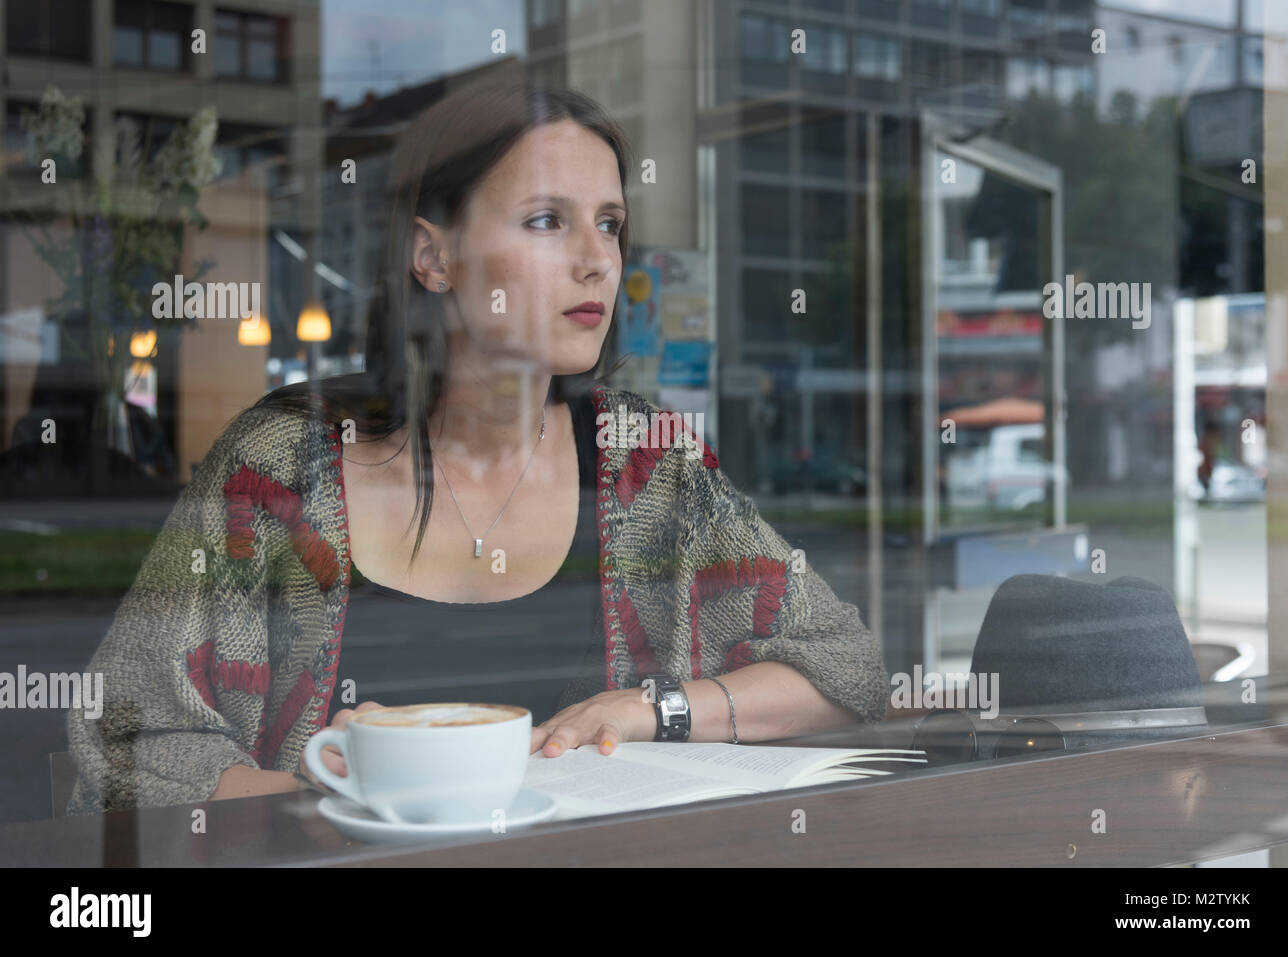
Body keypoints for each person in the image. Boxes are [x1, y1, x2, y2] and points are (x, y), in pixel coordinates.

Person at [65, 80, 886, 813]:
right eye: (545, 221)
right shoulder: (277, 466)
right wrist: (335, 782)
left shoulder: (650, 460)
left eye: (610, 224)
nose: (598, 259)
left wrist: (652, 708)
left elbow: (844, 671)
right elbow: (125, 747)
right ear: (434, 256)